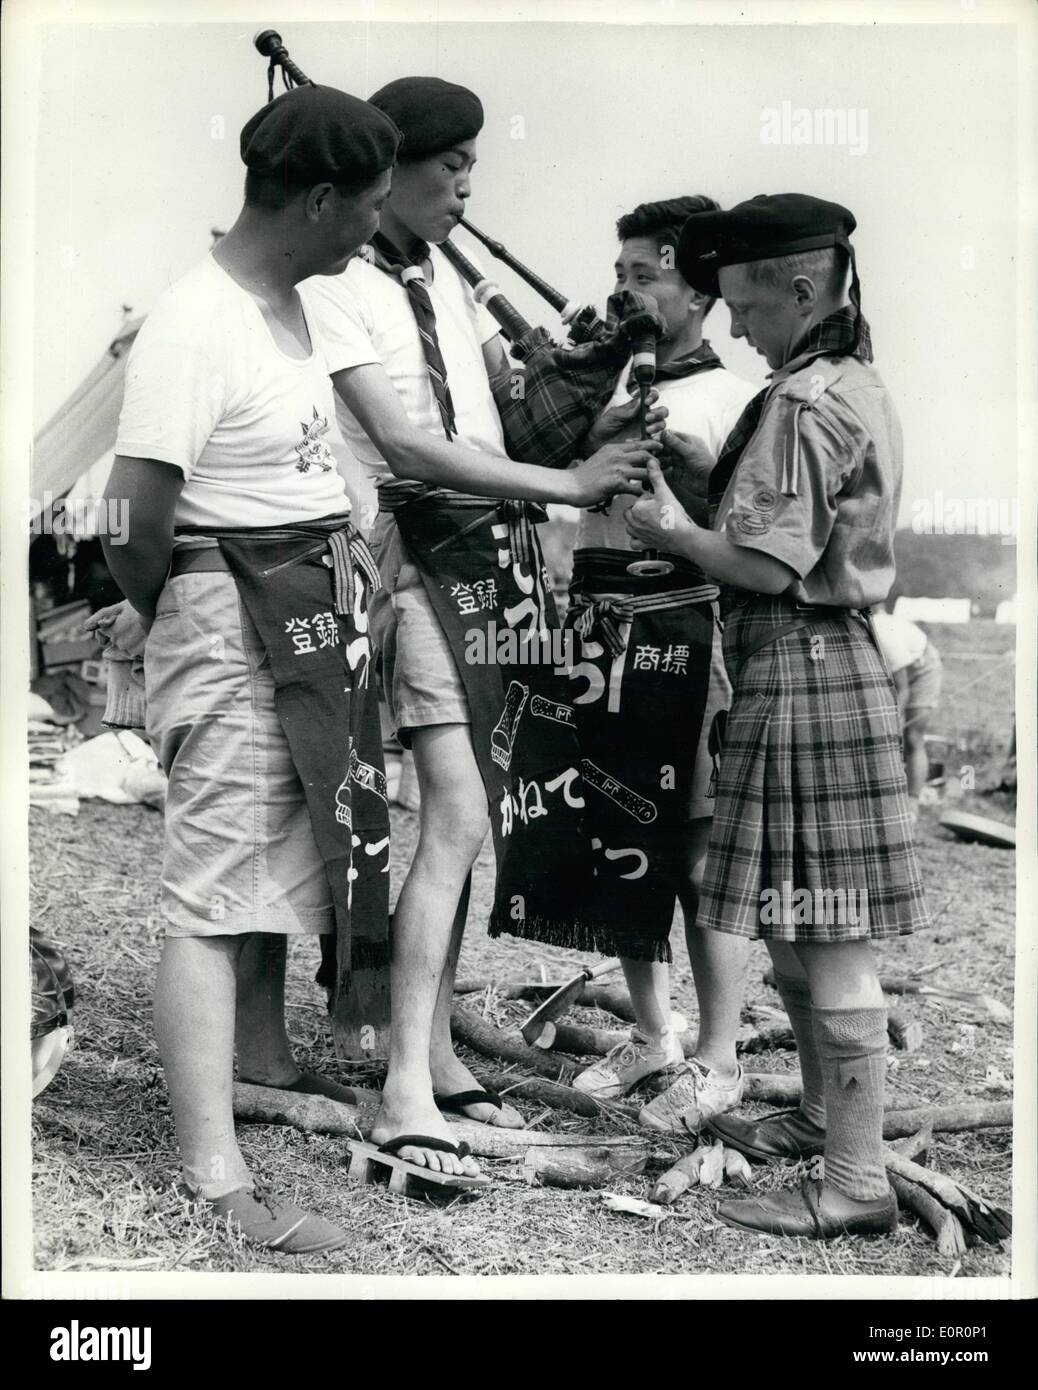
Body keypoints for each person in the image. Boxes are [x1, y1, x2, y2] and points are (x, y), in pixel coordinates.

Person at [300, 76, 657, 1180]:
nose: (465, 187)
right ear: (388, 171)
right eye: (449, 166)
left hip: (493, 571)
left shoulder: (446, 285)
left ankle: (437, 1047)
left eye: (473, 168)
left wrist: (596, 402)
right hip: (411, 563)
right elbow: (409, 446)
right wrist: (572, 481)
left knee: (471, 818)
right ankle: (403, 1084)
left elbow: (493, 429)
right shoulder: (339, 288)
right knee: (454, 815)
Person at [101, 84, 402, 1251]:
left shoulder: (298, 309)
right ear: (320, 199)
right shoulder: (197, 321)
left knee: (278, 860)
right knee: (212, 894)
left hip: (305, 617)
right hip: (229, 612)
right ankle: (212, 1172)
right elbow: (131, 517)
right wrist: (182, 611)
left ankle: (259, 1066)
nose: (373, 228)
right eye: (368, 205)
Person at [626, 193, 930, 1238]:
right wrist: (703, 480)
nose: (739, 327)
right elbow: (793, 523)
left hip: (803, 663)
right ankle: (817, 1116)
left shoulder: (802, 401)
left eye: (749, 307)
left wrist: (671, 528)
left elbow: (764, 564)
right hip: (809, 661)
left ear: (802, 289)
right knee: (799, 923)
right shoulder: (846, 381)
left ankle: (855, 1181)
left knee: (830, 933)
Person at [563, 197, 758, 1138]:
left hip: (686, 622)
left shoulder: (734, 398)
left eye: (645, 276)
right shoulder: (606, 382)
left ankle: (718, 1057)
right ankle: (652, 1032)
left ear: (699, 291)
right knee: (616, 834)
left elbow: (747, 530)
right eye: (620, 274)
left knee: (697, 851)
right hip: (600, 624)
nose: (626, 292)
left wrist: (685, 469)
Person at [871, 609, 942, 798]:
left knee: (912, 737)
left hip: (922, 669)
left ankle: (913, 801)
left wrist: (893, 723)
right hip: (893, 671)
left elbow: (902, 690)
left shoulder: (884, 637)